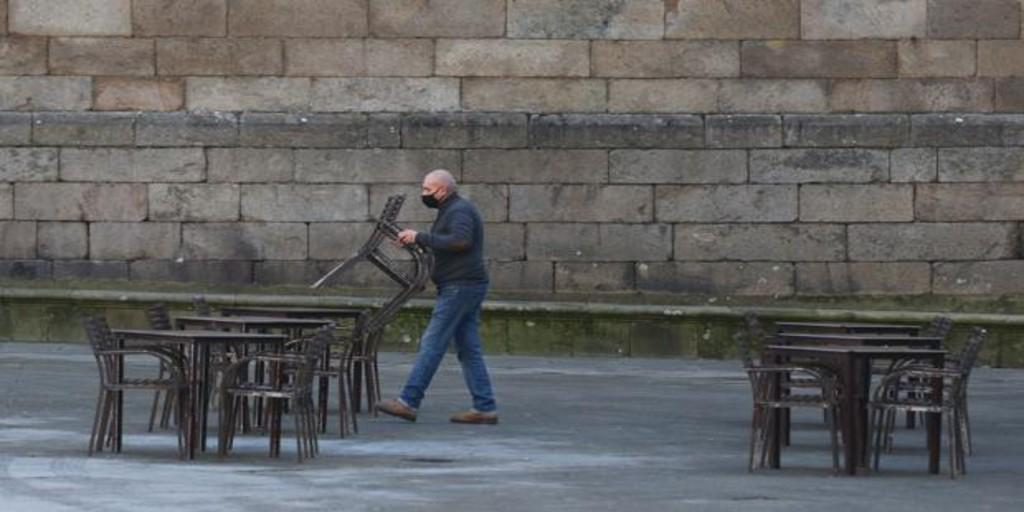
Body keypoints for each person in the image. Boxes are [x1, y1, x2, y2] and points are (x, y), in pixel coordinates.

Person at [376, 169, 498, 425]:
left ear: (442, 190)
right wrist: (416, 240)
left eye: (427, 190)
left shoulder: (459, 210)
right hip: (467, 285)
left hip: (460, 287)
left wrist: (420, 236)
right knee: (468, 348)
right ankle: (484, 407)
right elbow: (448, 241)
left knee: (432, 343)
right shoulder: (454, 209)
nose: (424, 194)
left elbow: (461, 241)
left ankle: (408, 401)